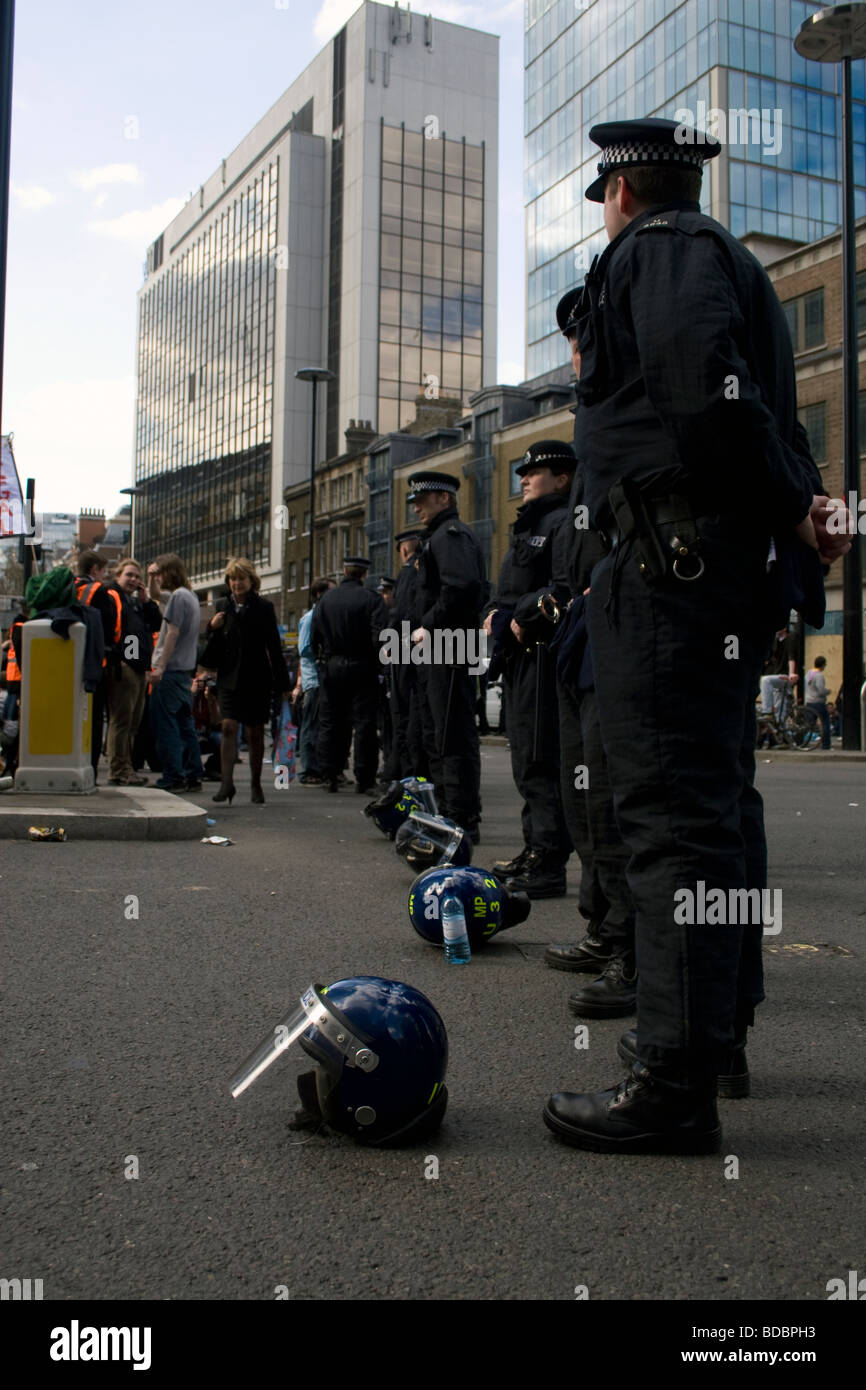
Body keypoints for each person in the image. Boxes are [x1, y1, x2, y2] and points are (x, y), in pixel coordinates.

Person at [543, 117, 850, 1155]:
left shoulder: (661, 251)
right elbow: (751, 413)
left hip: (668, 577)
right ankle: (710, 1038)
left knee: (673, 818)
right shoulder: (715, 260)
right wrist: (797, 503)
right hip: (699, 574)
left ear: (620, 191)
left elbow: (702, 400)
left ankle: (670, 1080)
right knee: (710, 808)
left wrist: (789, 504)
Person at [540, 330, 637, 1017]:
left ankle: (632, 949)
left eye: (585, 341)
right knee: (584, 799)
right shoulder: (593, 418)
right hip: (580, 637)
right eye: (574, 344)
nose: (578, 353)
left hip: (622, 627)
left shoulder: (631, 409)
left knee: (611, 801)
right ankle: (606, 930)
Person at [483, 439, 575, 898]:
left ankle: (548, 861)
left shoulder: (561, 523)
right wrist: (496, 613)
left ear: (561, 478)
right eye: (521, 473)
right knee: (526, 760)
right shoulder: (531, 526)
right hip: (522, 657)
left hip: (543, 655)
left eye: (533, 473)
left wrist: (521, 615)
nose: (523, 479)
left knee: (540, 760)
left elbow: (564, 588)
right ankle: (534, 849)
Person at [408, 471, 486, 842]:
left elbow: (461, 586)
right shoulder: (437, 537)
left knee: (452, 736)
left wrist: (429, 624)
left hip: (448, 643)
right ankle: (449, 813)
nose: (417, 507)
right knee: (438, 734)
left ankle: (462, 819)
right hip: (440, 644)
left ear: (445, 499)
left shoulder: (450, 535)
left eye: (423, 500)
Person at [199, 558, 291, 805]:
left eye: (241, 578)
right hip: (229, 677)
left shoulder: (263, 607)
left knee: (255, 732)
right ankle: (226, 784)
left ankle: (255, 783)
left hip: (257, 678)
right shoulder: (221, 606)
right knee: (228, 727)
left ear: (251, 581)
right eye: (232, 579)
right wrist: (212, 626)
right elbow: (209, 644)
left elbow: (273, 646)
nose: (236, 583)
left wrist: (283, 685)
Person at [311, 556, 387, 794]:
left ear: (344, 571)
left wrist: (322, 659)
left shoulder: (326, 599)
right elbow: (380, 636)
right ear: (364, 574)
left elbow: (315, 637)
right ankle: (364, 778)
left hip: (333, 664)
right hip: (362, 664)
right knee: (365, 723)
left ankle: (330, 774)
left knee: (331, 721)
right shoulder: (372, 599)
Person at [148, 553, 205, 794]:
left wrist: (160, 665)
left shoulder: (178, 598)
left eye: (159, 573)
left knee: (167, 725)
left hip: (170, 671)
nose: (157, 577)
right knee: (185, 725)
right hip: (184, 671)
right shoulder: (189, 596)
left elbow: (171, 633)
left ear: (169, 572)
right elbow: (154, 595)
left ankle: (173, 776)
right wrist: (150, 577)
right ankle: (193, 774)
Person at [104, 558, 163, 786]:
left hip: (138, 667)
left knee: (132, 723)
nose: (133, 580)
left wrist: (147, 600)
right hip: (125, 667)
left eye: (137, 577)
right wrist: (123, 659)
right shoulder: (114, 597)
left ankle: (125, 767)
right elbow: (117, 632)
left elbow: (156, 623)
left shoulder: (136, 602)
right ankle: (118, 769)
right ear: (118, 576)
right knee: (121, 721)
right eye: (129, 575)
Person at [381, 529, 427, 781]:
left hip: (406, 651)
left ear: (404, 550)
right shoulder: (422, 570)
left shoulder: (409, 573)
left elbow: (402, 612)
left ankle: (404, 773)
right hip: (423, 648)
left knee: (403, 718)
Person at [73, 550, 122, 781]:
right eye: (104, 571)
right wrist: (128, 659)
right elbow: (118, 631)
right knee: (99, 718)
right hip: (97, 662)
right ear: (95, 570)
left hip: (71, 661)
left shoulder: (69, 587)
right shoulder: (103, 593)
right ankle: (93, 768)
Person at [294, 577, 335, 786]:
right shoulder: (311, 618)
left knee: (319, 725)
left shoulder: (322, 615)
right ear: (319, 594)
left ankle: (318, 767)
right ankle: (309, 769)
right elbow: (304, 649)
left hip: (321, 678)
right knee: (311, 725)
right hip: (314, 680)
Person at [804, 654, 832, 751]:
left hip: (809, 702)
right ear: (823, 665)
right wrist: (828, 691)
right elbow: (821, 691)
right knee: (825, 723)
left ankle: (802, 742)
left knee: (808, 725)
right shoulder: (819, 675)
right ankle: (826, 745)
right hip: (818, 703)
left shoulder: (808, 673)